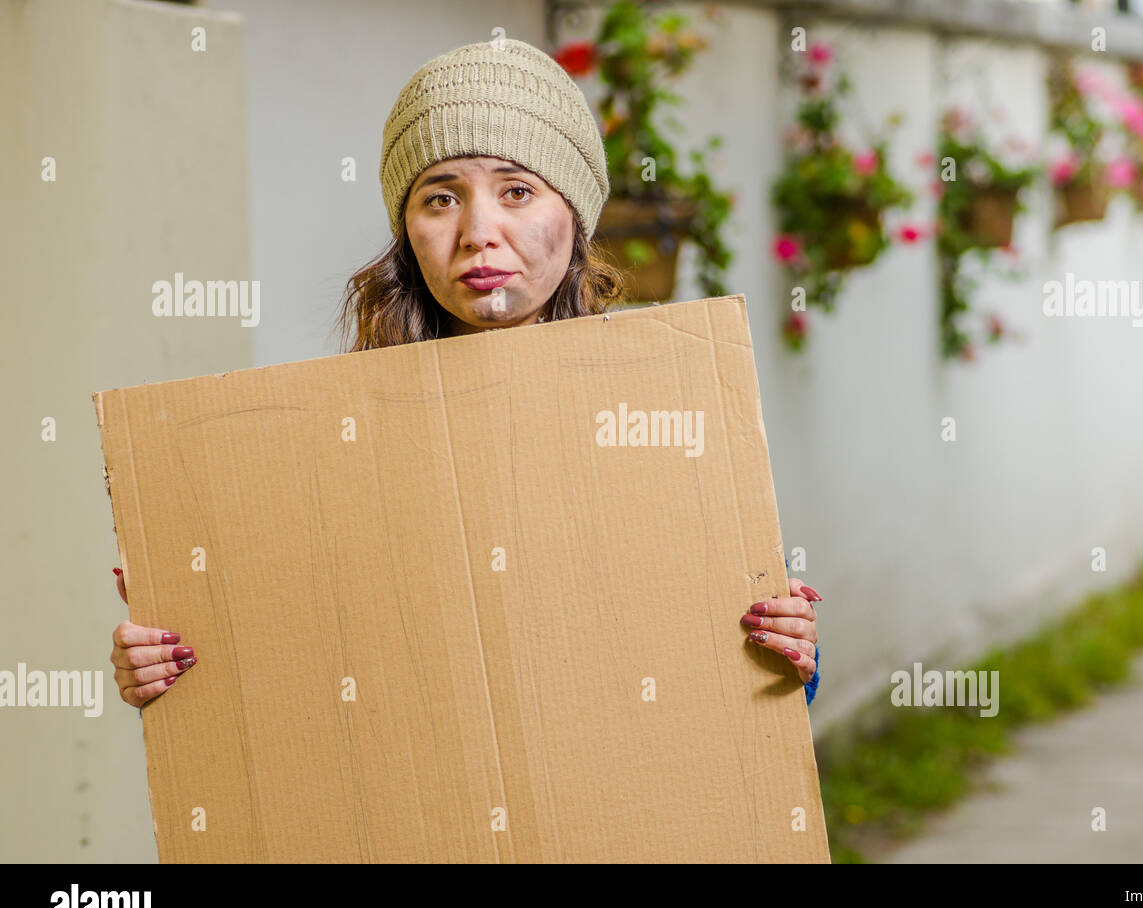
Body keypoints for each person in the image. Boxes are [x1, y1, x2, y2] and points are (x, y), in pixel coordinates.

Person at [109, 37, 821, 711]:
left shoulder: (667, 416)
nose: (478, 231)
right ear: (408, 231)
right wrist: (174, 660)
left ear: (572, 216)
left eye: (516, 191)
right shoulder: (325, 447)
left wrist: (789, 653)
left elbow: (709, 699)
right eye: (441, 197)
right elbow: (300, 674)